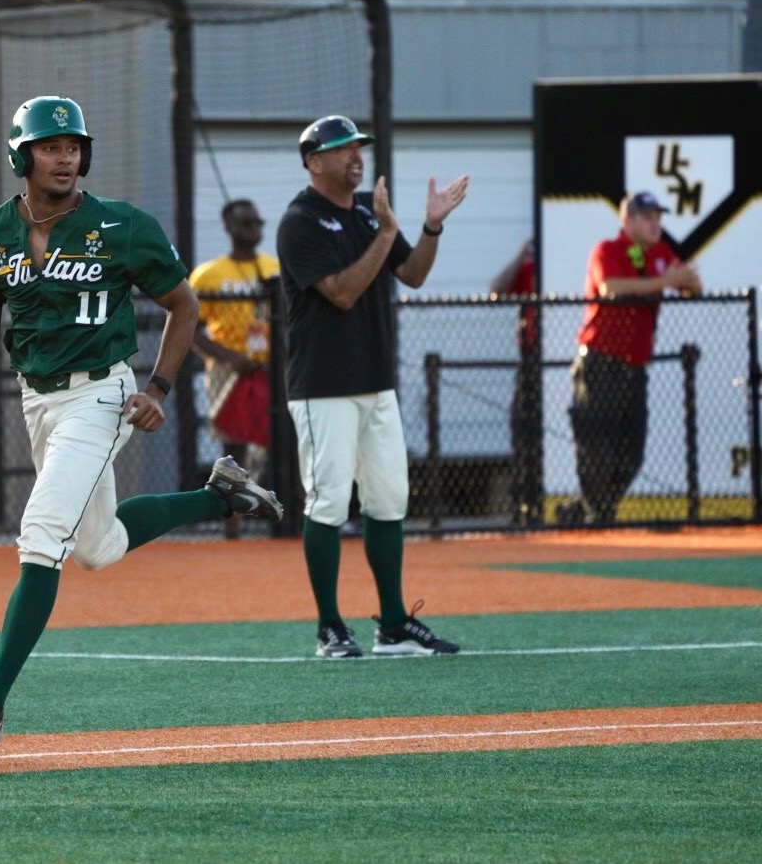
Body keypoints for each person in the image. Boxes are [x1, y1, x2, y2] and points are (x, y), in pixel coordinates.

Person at [0, 96, 283, 746]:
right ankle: (218, 496)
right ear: (22, 157)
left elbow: (183, 305)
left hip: (102, 394)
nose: (64, 157)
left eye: (73, 147)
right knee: (96, 546)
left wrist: (158, 386)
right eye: (49, 147)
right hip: (38, 398)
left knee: (42, 532)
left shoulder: (122, 225)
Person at [275, 115, 469, 659]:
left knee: (388, 500)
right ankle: (329, 627)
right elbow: (340, 293)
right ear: (314, 162)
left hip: (376, 383)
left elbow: (413, 274)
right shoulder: (299, 222)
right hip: (323, 387)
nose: (356, 156)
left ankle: (393, 624)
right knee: (329, 503)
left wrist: (431, 227)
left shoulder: (367, 212)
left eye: (358, 146)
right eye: (342, 148)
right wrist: (386, 233)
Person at [561, 191, 700, 527]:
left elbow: (692, 286)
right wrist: (664, 281)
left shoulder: (659, 253)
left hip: (634, 368)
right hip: (600, 364)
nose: (656, 224)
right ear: (628, 221)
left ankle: (583, 511)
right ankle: (598, 518)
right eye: (648, 218)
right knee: (598, 447)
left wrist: (687, 280)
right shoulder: (607, 249)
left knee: (632, 454)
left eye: (658, 218)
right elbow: (611, 287)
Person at [188, 198, 280, 538]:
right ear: (229, 227)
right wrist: (228, 357)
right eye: (245, 223)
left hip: (269, 367)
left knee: (276, 439)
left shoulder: (273, 269)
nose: (253, 229)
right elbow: (190, 329)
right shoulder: (208, 275)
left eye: (258, 223)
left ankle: (277, 515)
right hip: (229, 369)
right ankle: (231, 525)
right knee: (233, 442)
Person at [489, 237, 541, 524]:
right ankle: (523, 503)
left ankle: (540, 501)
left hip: (555, 359)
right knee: (523, 431)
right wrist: (521, 254)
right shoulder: (530, 270)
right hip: (530, 359)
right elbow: (495, 290)